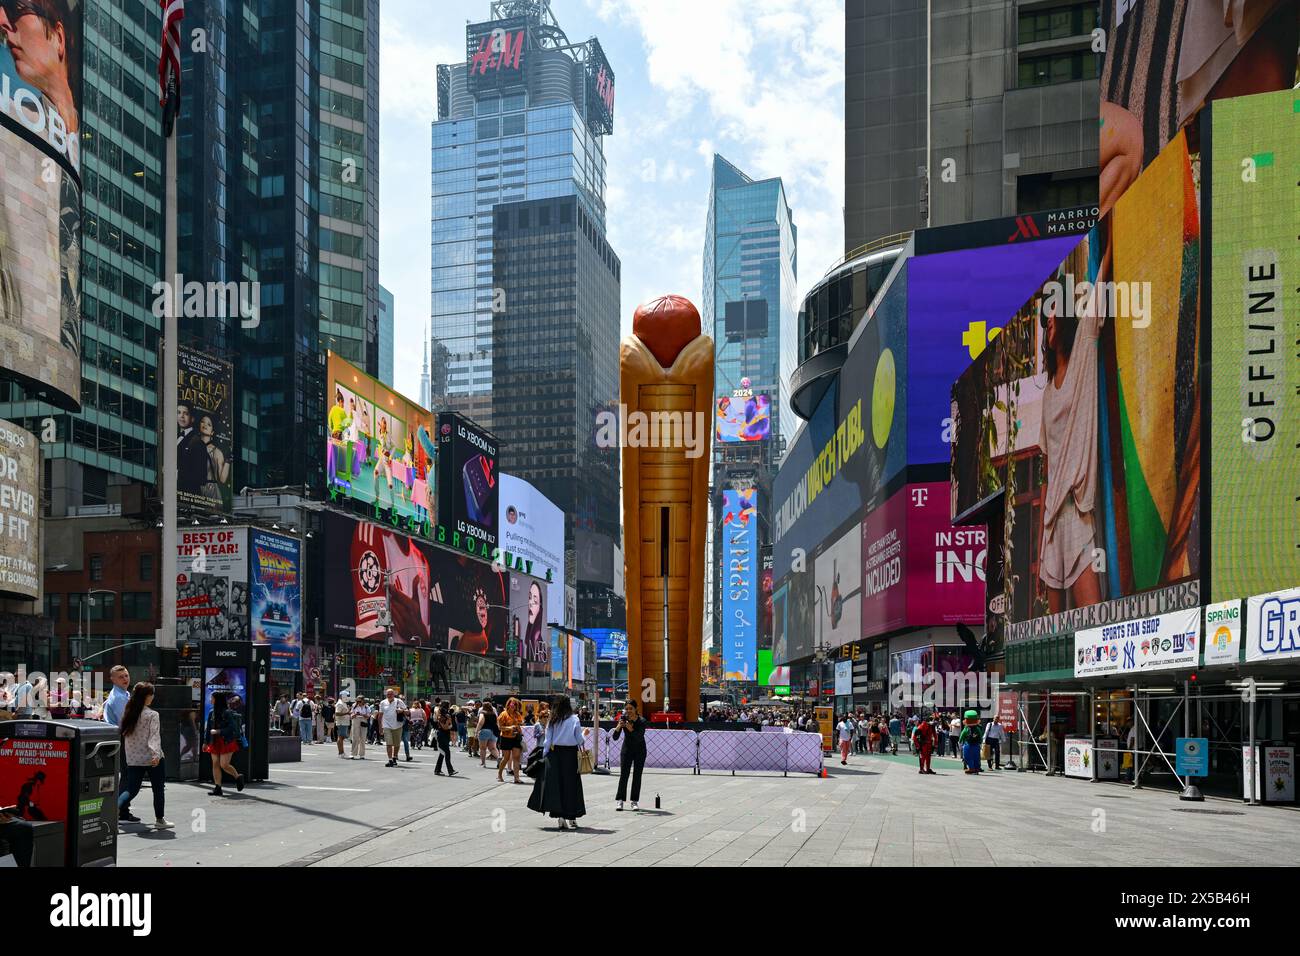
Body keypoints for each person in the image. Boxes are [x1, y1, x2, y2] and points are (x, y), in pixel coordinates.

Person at [116, 682, 173, 830]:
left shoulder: (128, 713)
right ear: (147, 696)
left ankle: (112, 811)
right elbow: (154, 737)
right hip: (152, 758)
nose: (153, 697)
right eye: (152, 694)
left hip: (134, 758)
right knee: (158, 789)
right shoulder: (152, 715)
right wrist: (155, 755)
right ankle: (160, 820)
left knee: (131, 789)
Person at [527, 695, 587, 830]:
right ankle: (572, 816)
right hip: (570, 755)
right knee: (571, 786)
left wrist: (545, 756)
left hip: (554, 755)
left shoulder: (553, 720)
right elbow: (579, 740)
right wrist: (585, 735)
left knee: (557, 787)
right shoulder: (574, 719)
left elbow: (547, 741)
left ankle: (560, 817)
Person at [203, 692, 245, 796]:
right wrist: (205, 742)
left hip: (226, 741)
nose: (210, 700)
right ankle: (218, 787)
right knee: (215, 763)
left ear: (217, 700)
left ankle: (238, 777)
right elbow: (208, 729)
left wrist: (218, 731)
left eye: (212, 698)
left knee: (224, 764)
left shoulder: (227, 712)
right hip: (214, 741)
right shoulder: (211, 712)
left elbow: (232, 728)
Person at [613, 701, 647, 810]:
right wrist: (619, 726)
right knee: (624, 775)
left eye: (631, 708)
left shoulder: (642, 721)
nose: (628, 711)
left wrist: (630, 728)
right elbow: (615, 737)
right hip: (627, 750)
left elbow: (639, 737)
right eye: (626, 708)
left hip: (640, 750)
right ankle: (620, 800)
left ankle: (634, 801)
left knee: (637, 775)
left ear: (636, 709)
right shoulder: (623, 719)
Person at [496, 697, 524, 783]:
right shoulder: (503, 714)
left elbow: (520, 725)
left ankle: (516, 778)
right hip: (505, 738)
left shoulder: (517, 714)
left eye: (515, 704)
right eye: (511, 704)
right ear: (508, 705)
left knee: (516, 757)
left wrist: (519, 729)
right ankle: (499, 775)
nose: (513, 706)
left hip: (516, 738)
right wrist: (510, 727)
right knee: (506, 758)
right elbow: (500, 728)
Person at [378, 688, 407, 768]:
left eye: (391, 694)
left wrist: (401, 711)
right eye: (388, 694)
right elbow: (380, 715)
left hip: (398, 726)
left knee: (397, 744)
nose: (389, 695)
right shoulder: (383, 703)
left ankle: (394, 757)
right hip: (386, 725)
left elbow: (407, 711)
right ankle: (390, 759)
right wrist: (380, 727)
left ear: (394, 694)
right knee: (389, 743)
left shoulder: (399, 701)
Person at [433, 702, 458, 776]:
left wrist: (449, 720)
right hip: (442, 734)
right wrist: (448, 720)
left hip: (445, 734)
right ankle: (450, 770)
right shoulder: (441, 716)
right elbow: (445, 727)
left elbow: (450, 726)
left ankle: (437, 770)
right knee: (447, 752)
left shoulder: (446, 716)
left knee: (442, 753)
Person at [958, 709, 984, 774]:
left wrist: (960, 741)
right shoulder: (977, 728)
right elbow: (980, 735)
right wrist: (981, 742)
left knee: (968, 756)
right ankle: (975, 769)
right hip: (975, 745)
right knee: (976, 757)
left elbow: (962, 735)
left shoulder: (966, 728)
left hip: (968, 745)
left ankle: (972, 768)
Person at [477, 701, 501, 767]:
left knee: (483, 748)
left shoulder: (482, 713)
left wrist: (476, 731)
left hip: (485, 731)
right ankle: (498, 758)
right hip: (494, 732)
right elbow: (498, 724)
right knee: (492, 748)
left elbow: (480, 722)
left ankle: (483, 763)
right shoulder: (494, 714)